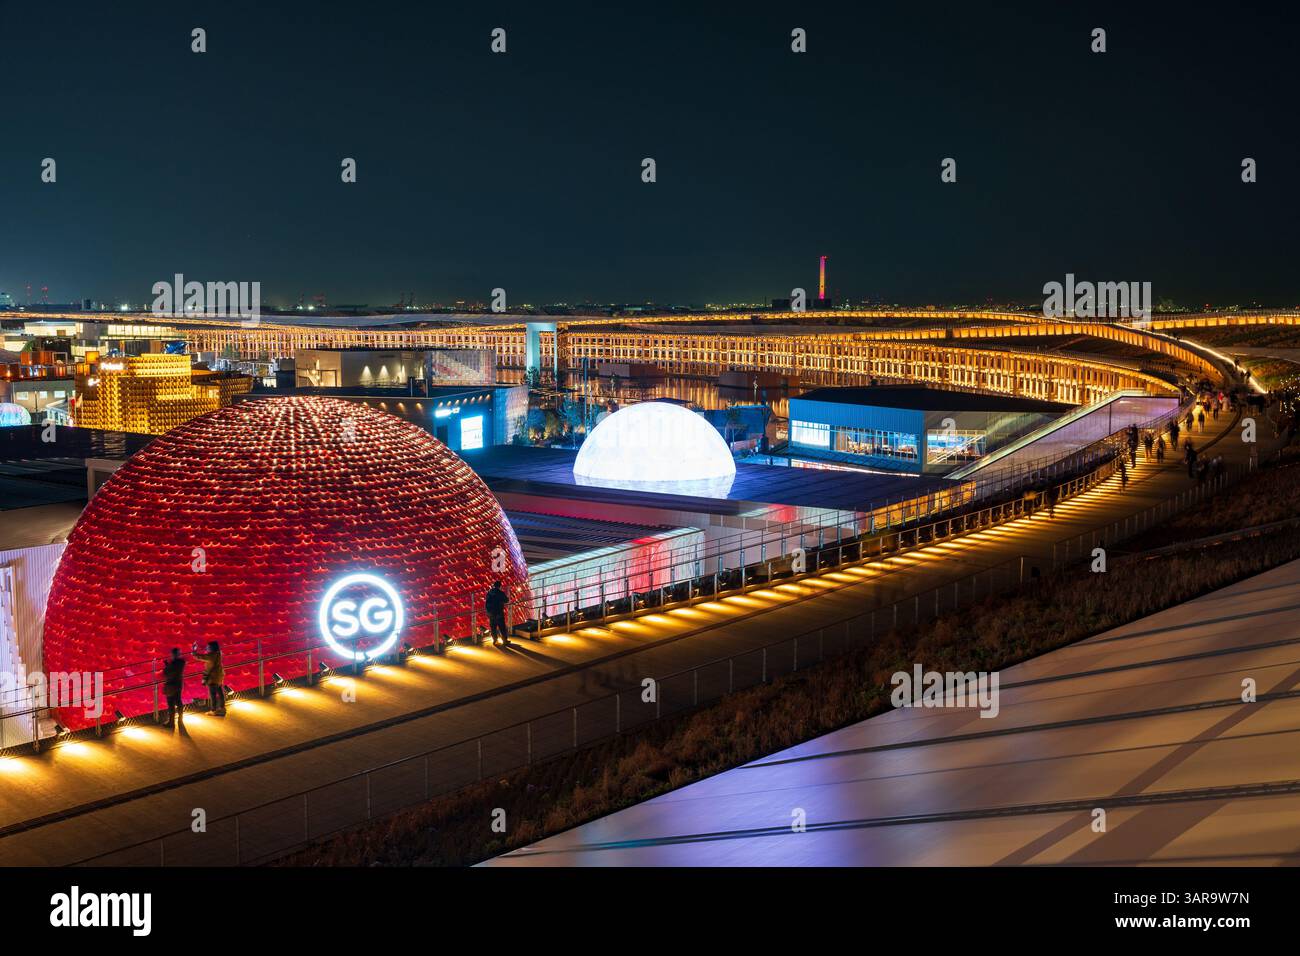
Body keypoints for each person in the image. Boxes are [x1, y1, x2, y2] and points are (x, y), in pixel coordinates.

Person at [193, 640, 225, 716]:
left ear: (212, 648)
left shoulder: (211, 656)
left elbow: (199, 657)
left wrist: (193, 650)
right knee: (220, 693)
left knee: (212, 694)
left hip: (212, 678)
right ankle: (222, 708)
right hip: (219, 676)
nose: (206, 648)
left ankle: (213, 710)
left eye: (208, 647)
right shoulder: (219, 653)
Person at [161, 647, 186, 728]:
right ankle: (180, 719)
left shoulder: (173, 663)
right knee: (178, 701)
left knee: (171, 704)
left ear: (173, 654)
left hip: (171, 685)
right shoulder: (182, 662)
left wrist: (166, 665)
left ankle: (171, 722)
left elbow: (166, 672)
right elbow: (175, 670)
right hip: (179, 684)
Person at [485, 581, 510, 646]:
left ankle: (495, 640)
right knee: (502, 627)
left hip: (491, 613)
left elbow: (487, 602)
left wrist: (488, 611)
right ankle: (504, 640)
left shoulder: (489, 593)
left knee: (493, 627)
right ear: (500, 586)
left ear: (494, 585)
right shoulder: (500, 593)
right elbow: (506, 600)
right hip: (499, 613)